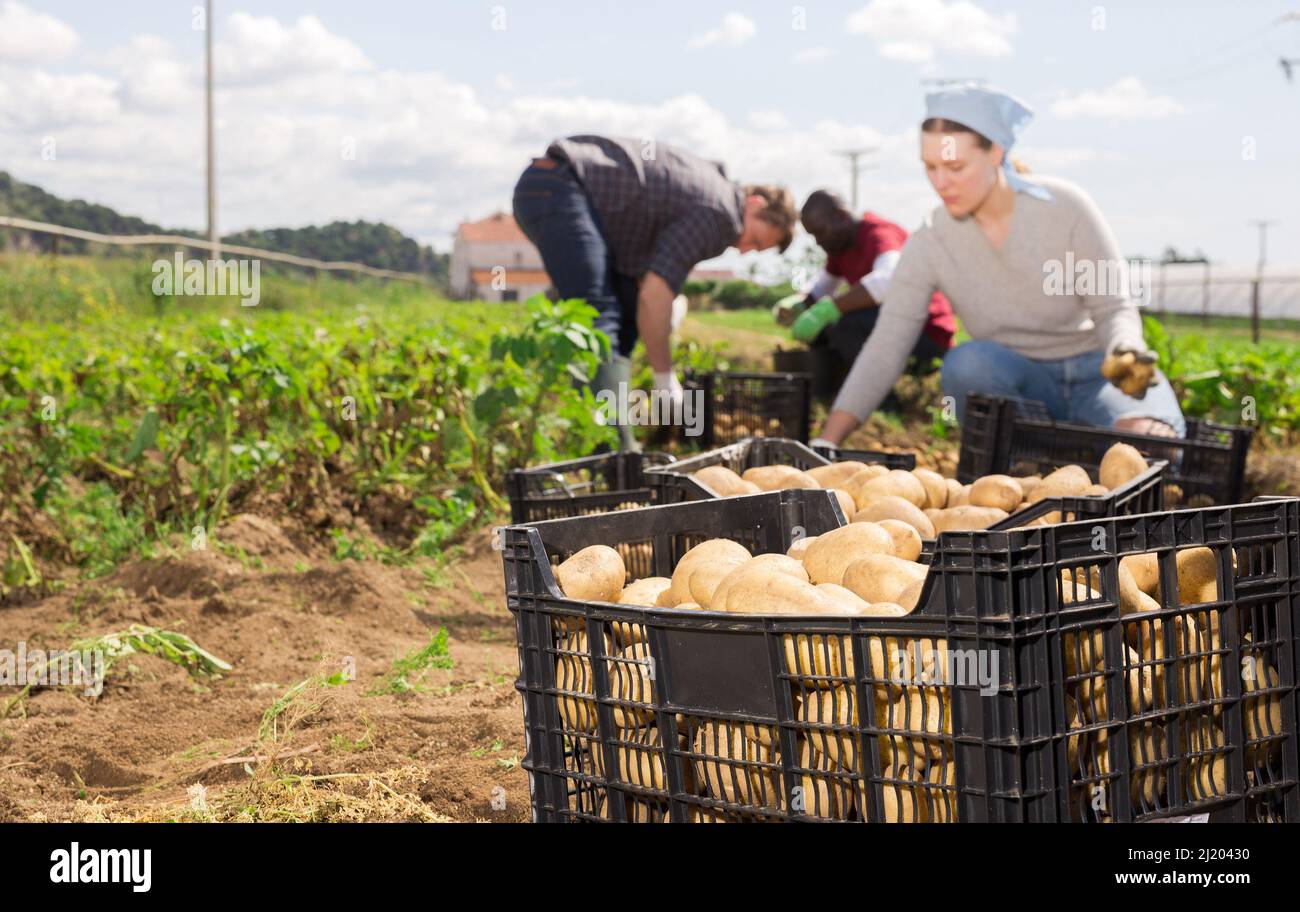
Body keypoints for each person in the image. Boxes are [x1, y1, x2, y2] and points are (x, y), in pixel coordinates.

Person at [810, 84, 1186, 449]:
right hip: (1018, 385)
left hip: (1097, 376)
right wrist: (828, 439)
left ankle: (1087, 444)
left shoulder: (1065, 208)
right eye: (930, 167)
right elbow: (887, 343)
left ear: (995, 153)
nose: (940, 183)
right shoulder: (931, 239)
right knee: (966, 365)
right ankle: (1038, 454)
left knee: (1156, 449)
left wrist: (1125, 348)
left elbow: (1113, 307)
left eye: (955, 166)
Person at [512, 135, 798, 449]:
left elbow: (647, 288)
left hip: (553, 186)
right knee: (598, 314)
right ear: (755, 204)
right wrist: (664, 376)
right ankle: (613, 451)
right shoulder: (722, 215)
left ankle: (612, 438)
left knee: (624, 320)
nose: (745, 251)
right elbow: (655, 293)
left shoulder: (713, 189)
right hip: (560, 187)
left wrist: (658, 309)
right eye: (755, 240)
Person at [775, 190, 956, 401]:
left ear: (841, 216)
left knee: (843, 324)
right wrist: (796, 305)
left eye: (819, 232)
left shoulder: (878, 234)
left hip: (927, 338)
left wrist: (829, 309)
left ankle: (883, 402)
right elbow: (821, 289)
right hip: (897, 334)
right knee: (827, 328)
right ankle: (830, 390)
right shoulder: (840, 248)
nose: (817, 241)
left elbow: (890, 281)